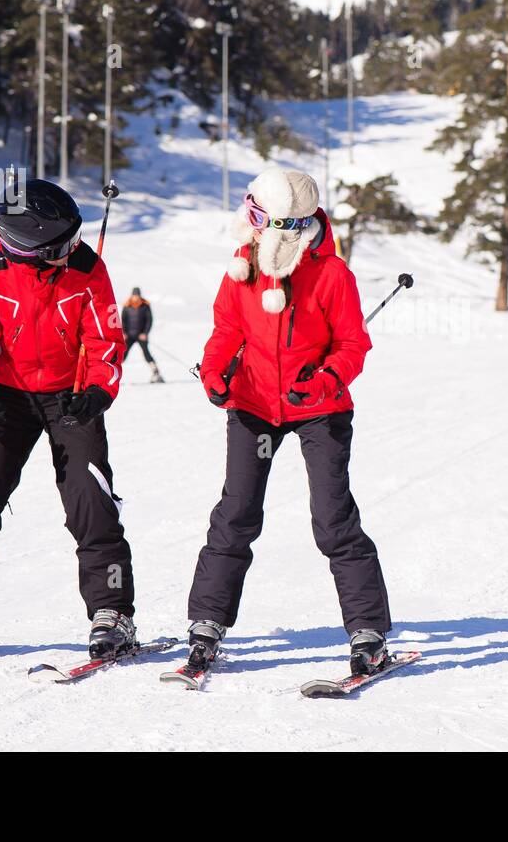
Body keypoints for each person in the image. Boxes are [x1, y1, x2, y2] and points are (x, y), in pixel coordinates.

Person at [187, 167, 391, 678]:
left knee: (333, 517)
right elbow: (227, 330)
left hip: (318, 408)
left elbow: (352, 345)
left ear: (281, 222)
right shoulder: (243, 269)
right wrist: (215, 372)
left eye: (257, 215)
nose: (248, 223)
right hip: (254, 404)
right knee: (236, 513)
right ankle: (207, 625)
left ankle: (368, 632)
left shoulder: (330, 274)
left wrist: (323, 381)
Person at [0, 178, 135, 662]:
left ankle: (113, 613)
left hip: (71, 397)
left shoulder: (86, 268)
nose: (74, 249)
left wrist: (98, 390)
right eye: (63, 244)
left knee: (90, 494)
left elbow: (106, 340)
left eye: (76, 237)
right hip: (8, 397)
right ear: (27, 248)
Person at [122, 286, 163, 383]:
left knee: (146, 354)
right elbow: (123, 320)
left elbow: (149, 321)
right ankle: (112, 374)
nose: (136, 297)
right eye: (134, 295)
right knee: (123, 355)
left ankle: (156, 373)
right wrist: (124, 333)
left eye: (137, 295)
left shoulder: (145, 305)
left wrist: (145, 333)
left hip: (141, 335)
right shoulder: (127, 305)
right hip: (129, 335)